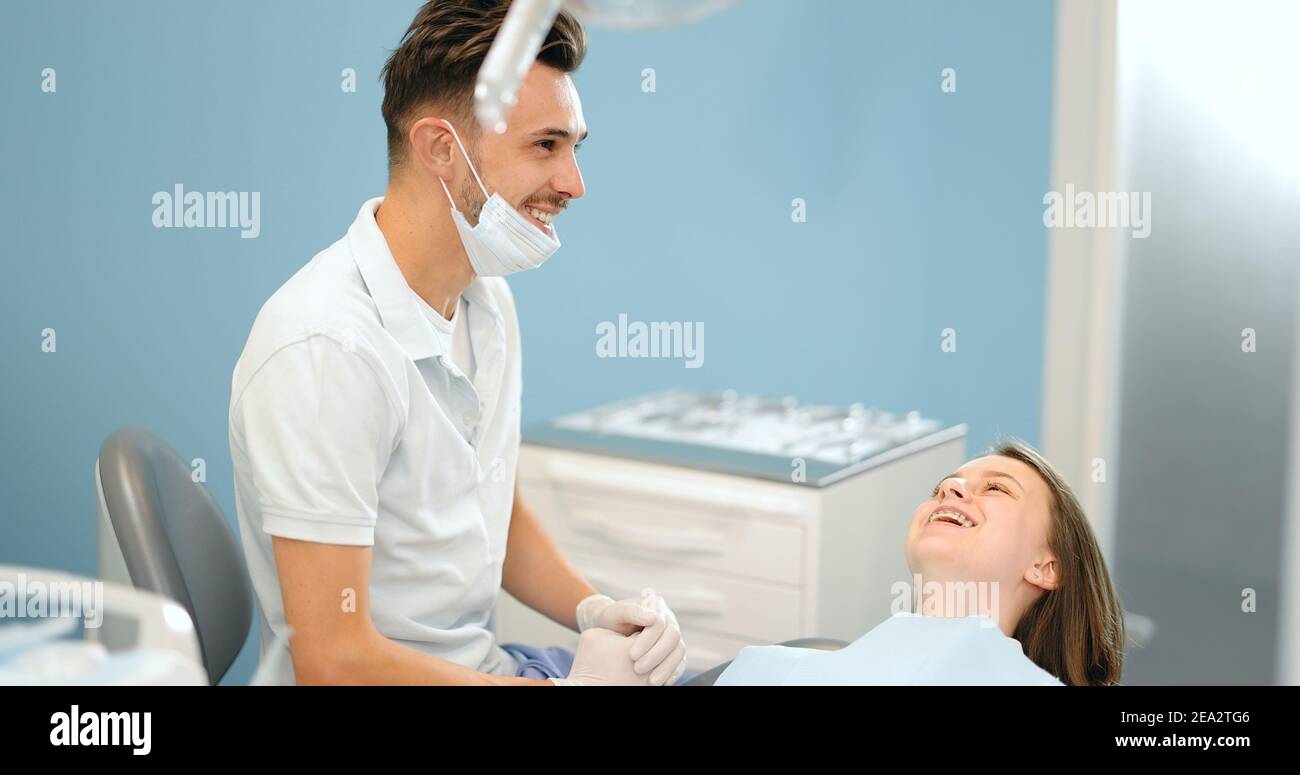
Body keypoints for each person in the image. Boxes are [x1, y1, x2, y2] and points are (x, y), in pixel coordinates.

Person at [228, 0, 685, 686]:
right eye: (545, 145)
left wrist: (596, 610)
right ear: (441, 148)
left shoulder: (485, 302)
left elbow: (491, 514)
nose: (574, 183)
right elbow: (332, 660)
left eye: (573, 147)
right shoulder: (325, 348)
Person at [715, 440, 1124, 685]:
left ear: (1046, 567)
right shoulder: (772, 666)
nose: (951, 487)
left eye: (996, 488)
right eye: (943, 486)